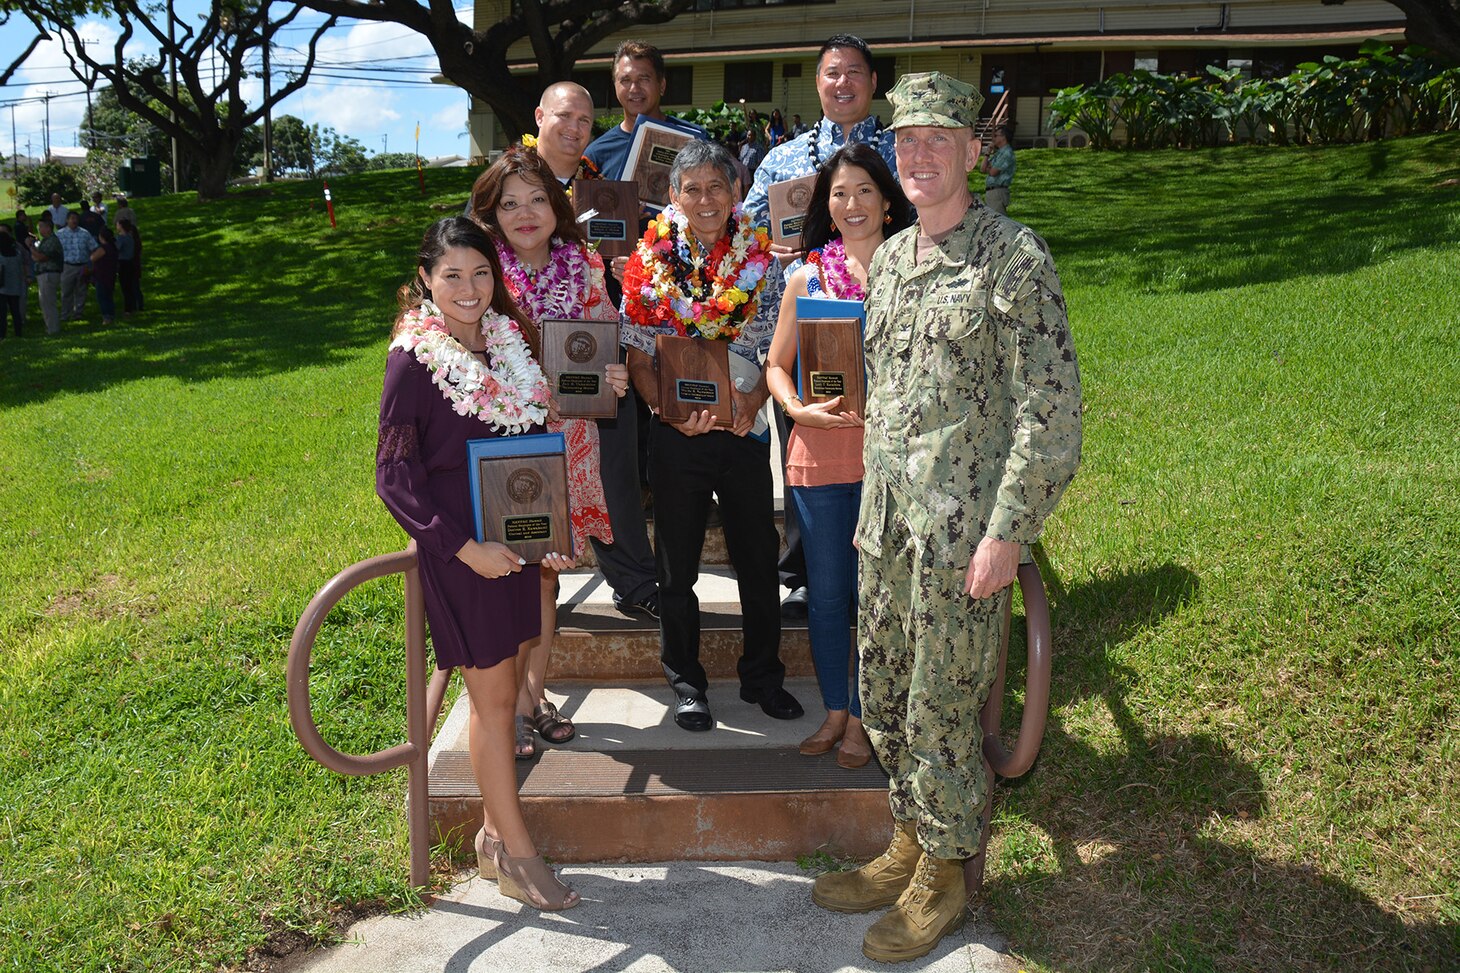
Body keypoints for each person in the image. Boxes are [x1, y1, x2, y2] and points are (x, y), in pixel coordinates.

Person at [809, 72, 1081, 963]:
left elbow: (1051, 409)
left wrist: (1009, 532)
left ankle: (949, 872)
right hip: (887, 527)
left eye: (939, 138)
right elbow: (886, 393)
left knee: (944, 708)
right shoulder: (889, 260)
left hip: (964, 535)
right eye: (906, 140)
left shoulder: (1012, 258)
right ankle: (909, 841)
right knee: (885, 697)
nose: (919, 154)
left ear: (974, 150)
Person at [377, 216, 580, 911]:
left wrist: (546, 529)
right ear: (426, 280)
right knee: (495, 702)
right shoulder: (412, 360)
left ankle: (493, 836)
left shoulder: (506, 345)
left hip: (515, 547)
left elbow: (525, 446)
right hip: (462, 553)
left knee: (506, 685)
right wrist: (466, 548)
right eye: (452, 275)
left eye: (481, 273)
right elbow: (393, 478)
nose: (469, 289)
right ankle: (520, 856)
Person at [620, 140, 803, 732]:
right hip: (676, 435)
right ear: (673, 196)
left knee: (755, 560)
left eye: (716, 187)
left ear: (735, 193)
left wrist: (750, 406)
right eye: (691, 189)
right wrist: (661, 408)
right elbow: (639, 352)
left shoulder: (763, 264)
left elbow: (779, 349)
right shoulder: (647, 263)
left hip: (744, 429)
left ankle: (762, 678)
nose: (704, 199)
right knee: (675, 568)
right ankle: (686, 682)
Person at [470, 147, 631, 757]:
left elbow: (604, 336)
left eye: (537, 198)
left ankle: (533, 697)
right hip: (503, 442)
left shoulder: (585, 265)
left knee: (543, 580)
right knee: (509, 575)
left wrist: (613, 375)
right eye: (509, 203)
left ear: (556, 205)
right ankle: (501, 706)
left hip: (570, 440)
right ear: (492, 213)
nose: (526, 213)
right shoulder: (479, 267)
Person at [764, 143, 911, 770]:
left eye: (865, 192)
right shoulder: (807, 277)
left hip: (891, 464)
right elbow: (775, 364)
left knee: (879, 598)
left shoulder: (915, 270)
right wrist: (796, 409)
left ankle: (866, 719)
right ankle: (835, 711)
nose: (852, 205)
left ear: (887, 201)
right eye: (840, 194)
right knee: (827, 598)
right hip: (820, 459)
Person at [584, 40, 707, 184]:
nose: (634, 88)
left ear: (661, 85)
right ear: (615, 87)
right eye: (625, 80)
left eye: (644, 79)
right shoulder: (596, 155)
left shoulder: (694, 140)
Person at [56, 211, 100, 322]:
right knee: (66, 292)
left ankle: (78, 313)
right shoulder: (60, 234)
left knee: (81, 291)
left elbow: (94, 248)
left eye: (76, 218)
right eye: (71, 218)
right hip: (67, 266)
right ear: (67, 220)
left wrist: (90, 264)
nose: (74, 220)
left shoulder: (85, 233)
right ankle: (65, 314)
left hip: (82, 266)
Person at [30, 217, 63, 335]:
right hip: (43, 274)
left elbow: (41, 257)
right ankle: (50, 327)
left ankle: (53, 329)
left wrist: (30, 247)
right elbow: (35, 257)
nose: (40, 230)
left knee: (49, 303)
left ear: (48, 228)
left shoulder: (52, 241)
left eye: (41, 227)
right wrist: (34, 248)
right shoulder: (45, 241)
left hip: (49, 274)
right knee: (44, 302)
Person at [979, 124, 1016, 215]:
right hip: (991, 192)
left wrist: (990, 168)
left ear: (1003, 137)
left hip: (998, 192)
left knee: (998, 222)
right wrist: (987, 153)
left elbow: (993, 172)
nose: (993, 138)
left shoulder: (1007, 153)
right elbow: (983, 168)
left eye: (996, 135)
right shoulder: (998, 153)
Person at [90, 226, 119, 326]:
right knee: (108, 296)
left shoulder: (103, 248)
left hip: (102, 275)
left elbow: (93, 258)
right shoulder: (113, 247)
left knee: (102, 297)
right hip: (110, 275)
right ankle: (111, 315)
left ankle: (106, 317)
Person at [0, 225, 24, 338]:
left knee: (2, 313)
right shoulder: (17, 254)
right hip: (15, 286)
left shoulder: (1, 256)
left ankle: (2, 334)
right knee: (16, 311)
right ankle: (18, 332)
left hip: (2, 287)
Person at [116, 218, 142, 316]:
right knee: (130, 286)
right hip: (130, 263)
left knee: (125, 287)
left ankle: (128, 309)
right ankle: (133, 305)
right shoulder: (131, 237)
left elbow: (117, 248)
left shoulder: (121, 238)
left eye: (118, 224)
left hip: (123, 263)